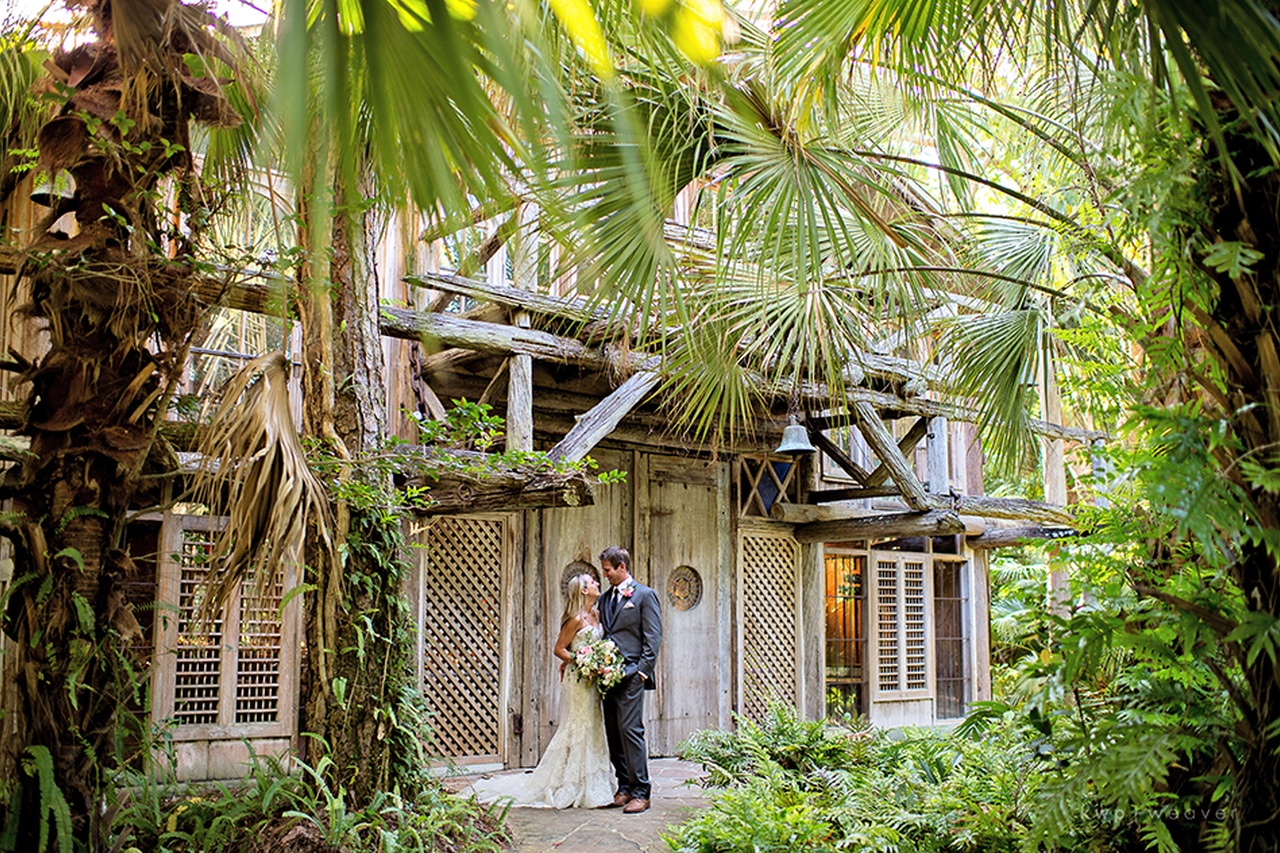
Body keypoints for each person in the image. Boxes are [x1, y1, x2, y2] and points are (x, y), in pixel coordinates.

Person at [469, 574, 614, 809]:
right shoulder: (575, 619)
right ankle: (569, 782)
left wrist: (597, 662)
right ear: (584, 591)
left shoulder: (597, 614)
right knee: (578, 725)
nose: (598, 583)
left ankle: (592, 782)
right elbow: (559, 648)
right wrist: (581, 661)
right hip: (578, 680)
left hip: (592, 680)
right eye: (592, 582)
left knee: (594, 724)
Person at [597, 546, 662, 814]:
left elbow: (653, 636)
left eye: (608, 570)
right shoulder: (603, 599)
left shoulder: (645, 596)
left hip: (632, 674)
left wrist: (642, 671)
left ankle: (641, 792)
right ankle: (624, 787)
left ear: (622, 567)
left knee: (630, 731)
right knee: (613, 732)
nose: (605, 576)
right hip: (606, 677)